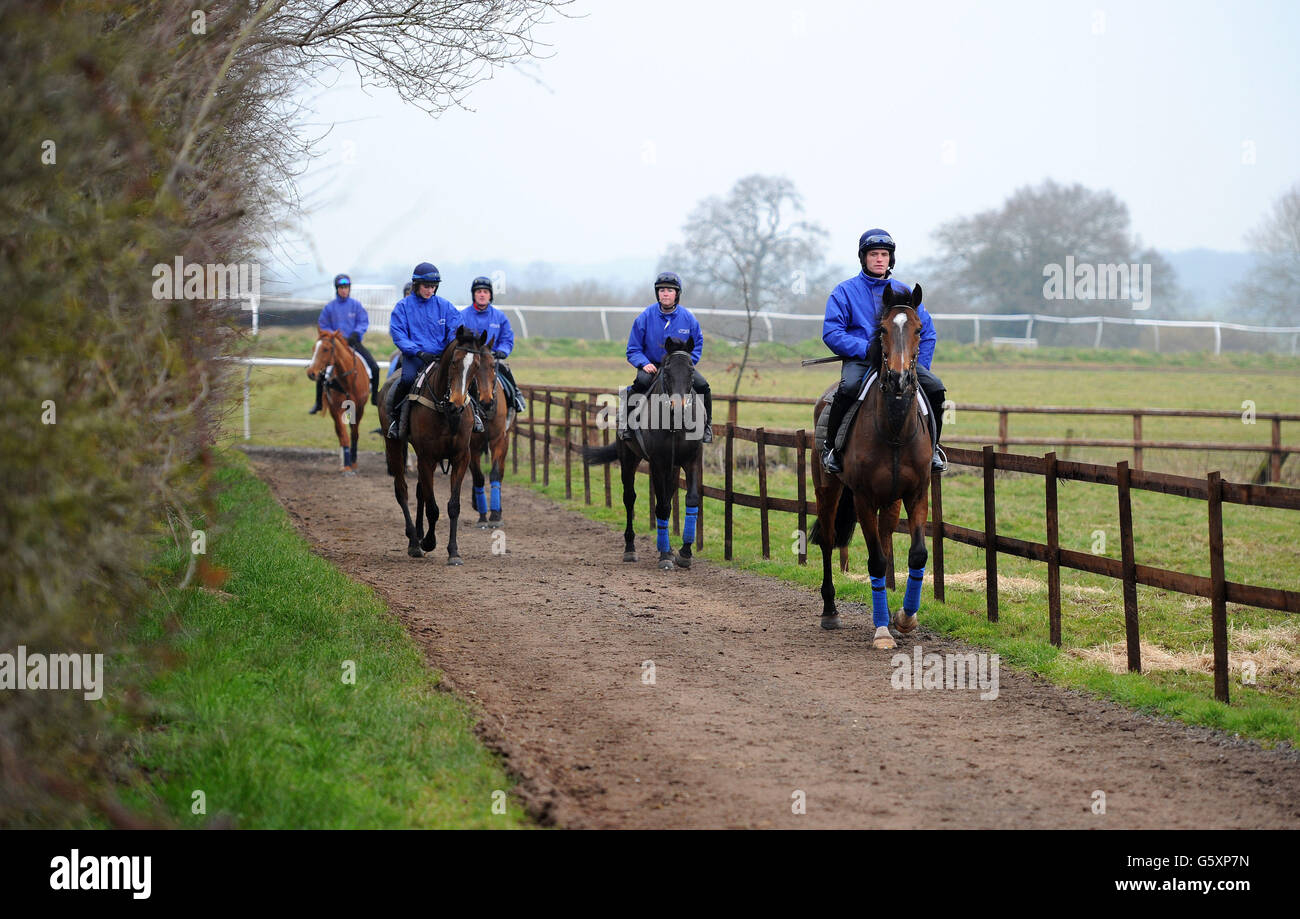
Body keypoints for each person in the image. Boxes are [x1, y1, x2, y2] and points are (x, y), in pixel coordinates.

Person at [821, 229, 948, 474]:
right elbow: (832, 333)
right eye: (873, 254)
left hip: (901, 362)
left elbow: (927, 332)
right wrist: (866, 348)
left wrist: (916, 365)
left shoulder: (905, 294)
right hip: (862, 360)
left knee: (935, 388)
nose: (879, 259)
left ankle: (932, 449)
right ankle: (832, 450)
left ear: (891, 259)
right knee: (848, 388)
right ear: (863, 258)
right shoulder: (843, 292)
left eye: (884, 255)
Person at [623, 271, 711, 442]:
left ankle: (707, 427)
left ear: (677, 294)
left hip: (680, 367)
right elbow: (633, 349)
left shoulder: (689, 319)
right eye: (662, 290)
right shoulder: (645, 317)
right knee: (640, 383)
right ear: (657, 293)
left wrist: (686, 364)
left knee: (703, 386)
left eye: (670, 290)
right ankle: (626, 425)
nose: (665, 293)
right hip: (652, 366)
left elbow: (697, 344)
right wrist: (643, 363)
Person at [385, 263, 463, 439]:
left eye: (433, 286)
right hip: (416, 357)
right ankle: (396, 422)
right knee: (406, 380)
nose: (430, 290)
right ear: (416, 285)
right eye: (426, 286)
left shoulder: (445, 306)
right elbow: (399, 334)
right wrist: (417, 352)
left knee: (464, 380)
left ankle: (475, 418)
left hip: (441, 358)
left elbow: (456, 327)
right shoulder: (403, 307)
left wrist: (449, 348)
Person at [309, 274, 381, 412]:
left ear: (349, 289)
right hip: (335, 346)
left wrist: (356, 333)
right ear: (337, 289)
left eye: (346, 287)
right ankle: (318, 402)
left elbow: (363, 322)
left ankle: (374, 398)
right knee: (322, 372)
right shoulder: (329, 308)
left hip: (354, 343)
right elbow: (323, 325)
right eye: (341, 287)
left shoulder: (356, 305)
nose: (344, 290)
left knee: (375, 367)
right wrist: (335, 337)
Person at [457, 276, 526, 413]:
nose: (482, 294)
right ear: (474, 295)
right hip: (470, 360)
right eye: (478, 291)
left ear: (490, 295)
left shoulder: (500, 317)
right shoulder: (462, 316)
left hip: (491, 358)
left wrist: (502, 351)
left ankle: (516, 396)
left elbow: (507, 339)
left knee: (505, 370)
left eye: (485, 291)